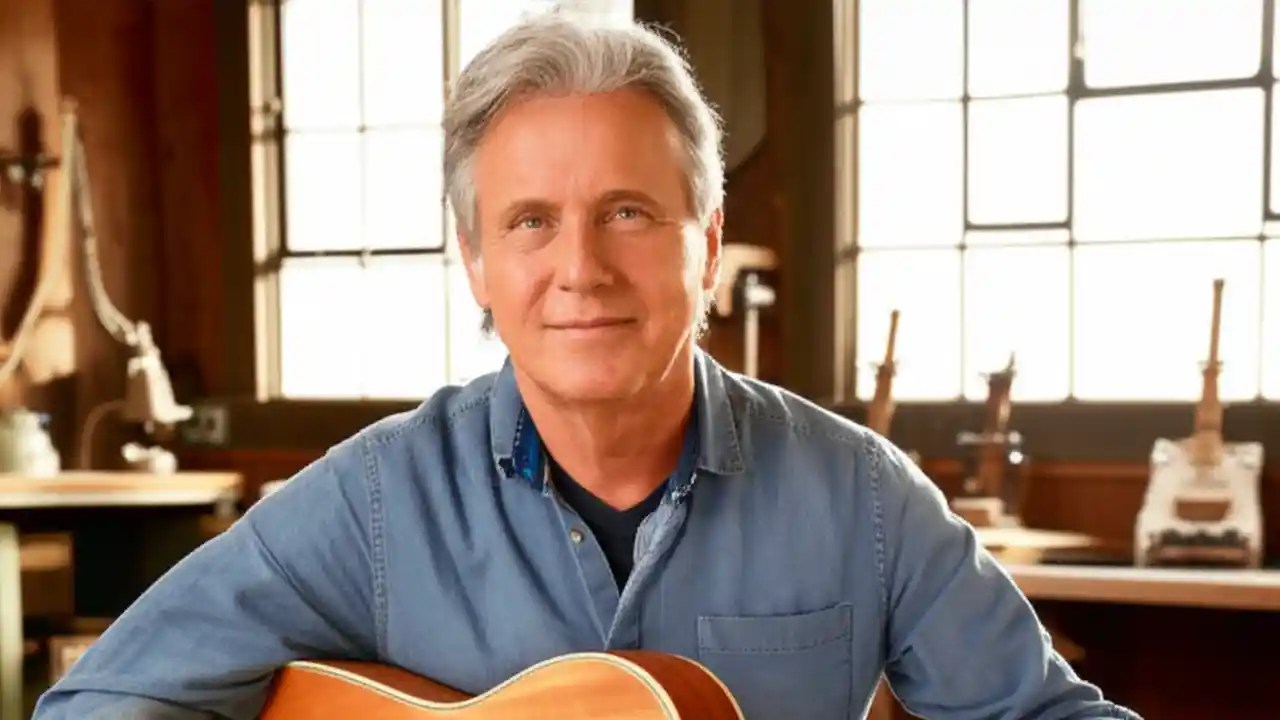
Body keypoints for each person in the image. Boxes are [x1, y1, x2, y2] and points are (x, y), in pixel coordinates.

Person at [35, 14, 1139, 720]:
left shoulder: (862, 497)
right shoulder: (375, 501)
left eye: (626, 212)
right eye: (527, 221)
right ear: (474, 260)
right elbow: (98, 705)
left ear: (704, 244)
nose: (579, 269)